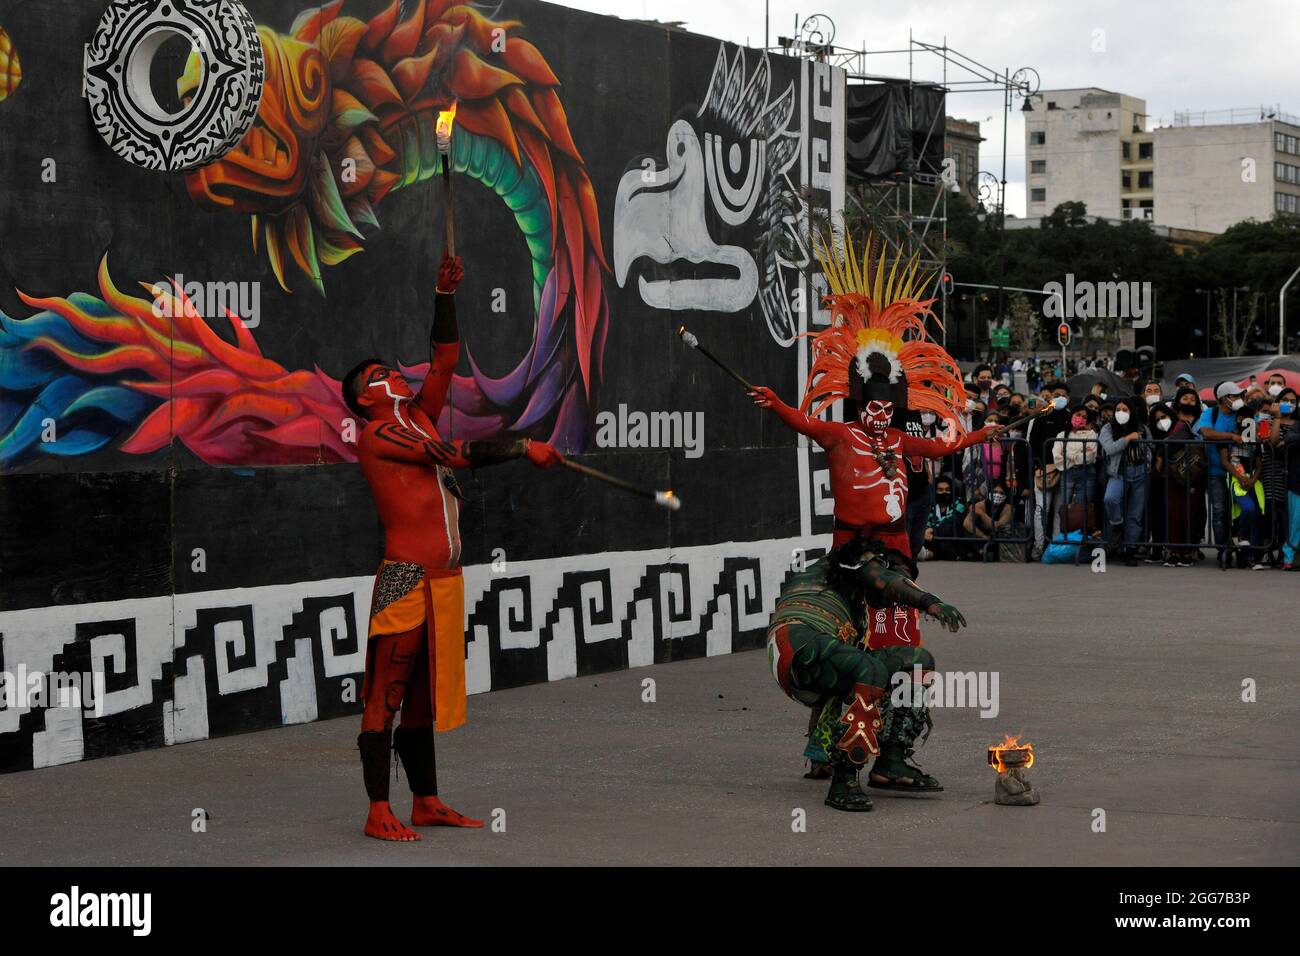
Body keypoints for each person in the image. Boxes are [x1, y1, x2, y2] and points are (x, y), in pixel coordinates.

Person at [343, 253, 564, 842]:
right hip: (405, 578)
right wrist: (524, 449)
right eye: (376, 376)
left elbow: (443, 360)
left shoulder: (417, 416)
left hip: (442, 579)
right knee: (385, 692)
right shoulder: (380, 432)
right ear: (365, 399)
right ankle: (375, 810)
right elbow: (455, 456)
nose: (390, 373)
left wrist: (444, 295)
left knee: (419, 698)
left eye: (386, 369)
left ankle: (425, 800)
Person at [768, 537, 968, 810]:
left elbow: (839, 692)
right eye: (901, 579)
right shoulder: (856, 560)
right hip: (795, 640)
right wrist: (930, 603)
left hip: (814, 657)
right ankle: (844, 779)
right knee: (868, 669)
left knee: (917, 661)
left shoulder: (852, 602)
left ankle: (890, 763)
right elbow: (884, 579)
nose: (896, 598)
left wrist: (818, 755)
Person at [1196, 382, 1249, 566]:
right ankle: (1223, 550)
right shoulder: (1210, 413)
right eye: (1234, 396)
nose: (1238, 399)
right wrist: (1231, 436)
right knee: (1219, 512)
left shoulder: (1241, 415)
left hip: (1239, 471)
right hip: (1215, 472)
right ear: (1223, 399)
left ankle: (1243, 549)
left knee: (1243, 511)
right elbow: (1206, 432)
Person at [1099, 397, 1152, 566]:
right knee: (1110, 498)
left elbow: (1151, 446)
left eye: (1125, 409)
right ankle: (1117, 524)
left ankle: (1130, 549)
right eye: (1118, 410)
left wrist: (1148, 463)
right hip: (1119, 472)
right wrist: (1128, 438)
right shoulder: (1108, 428)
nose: (1121, 413)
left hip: (1140, 472)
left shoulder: (1141, 428)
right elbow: (1110, 448)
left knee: (1135, 514)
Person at [1160, 388, 1209, 566]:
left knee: (1193, 511)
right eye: (1185, 398)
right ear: (1178, 400)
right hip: (1172, 472)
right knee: (1174, 512)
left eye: (1192, 399)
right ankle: (1173, 550)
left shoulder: (1202, 420)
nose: (1188, 402)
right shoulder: (1169, 419)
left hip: (1195, 472)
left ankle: (1189, 550)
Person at [1224, 408, 1266, 569]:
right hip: (1236, 480)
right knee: (1248, 509)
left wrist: (1253, 479)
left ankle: (1253, 557)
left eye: (1248, 418)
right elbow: (1225, 461)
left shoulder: (1254, 438)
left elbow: (1259, 462)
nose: (1244, 420)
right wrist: (1241, 478)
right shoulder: (1230, 435)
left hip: (1252, 480)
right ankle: (1240, 534)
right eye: (1241, 417)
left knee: (1255, 515)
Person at [1053, 405, 1101, 538]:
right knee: (1063, 508)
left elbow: (1090, 456)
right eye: (1078, 414)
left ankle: (1079, 541)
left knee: (1082, 510)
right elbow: (1057, 457)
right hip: (1067, 473)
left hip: (1087, 474)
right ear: (1072, 415)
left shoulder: (1092, 434)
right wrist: (1080, 454)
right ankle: (1061, 539)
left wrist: (1068, 454)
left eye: (1084, 417)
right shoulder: (1061, 435)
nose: (1080, 418)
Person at [1144, 402, 1175, 563]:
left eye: (1164, 417)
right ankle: (1157, 547)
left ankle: (1173, 549)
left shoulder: (1178, 431)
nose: (1162, 421)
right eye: (1158, 420)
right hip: (1157, 478)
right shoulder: (1153, 437)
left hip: (1176, 479)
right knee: (1157, 514)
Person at [963, 481, 1014, 559]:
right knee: (966, 530)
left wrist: (982, 514)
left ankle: (981, 552)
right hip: (981, 534)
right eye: (995, 492)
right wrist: (983, 536)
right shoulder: (980, 505)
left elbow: (997, 527)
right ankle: (980, 551)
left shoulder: (1008, 509)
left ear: (1005, 496)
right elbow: (966, 523)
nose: (997, 495)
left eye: (1001, 493)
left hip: (997, 537)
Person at [923, 475, 968, 560]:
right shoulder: (931, 505)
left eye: (947, 490)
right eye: (940, 490)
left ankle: (928, 554)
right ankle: (927, 554)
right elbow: (926, 520)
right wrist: (926, 531)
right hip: (932, 540)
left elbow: (951, 520)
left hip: (950, 541)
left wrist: (931, 530)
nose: (944, 492)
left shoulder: (959, 503)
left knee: (949, 525)